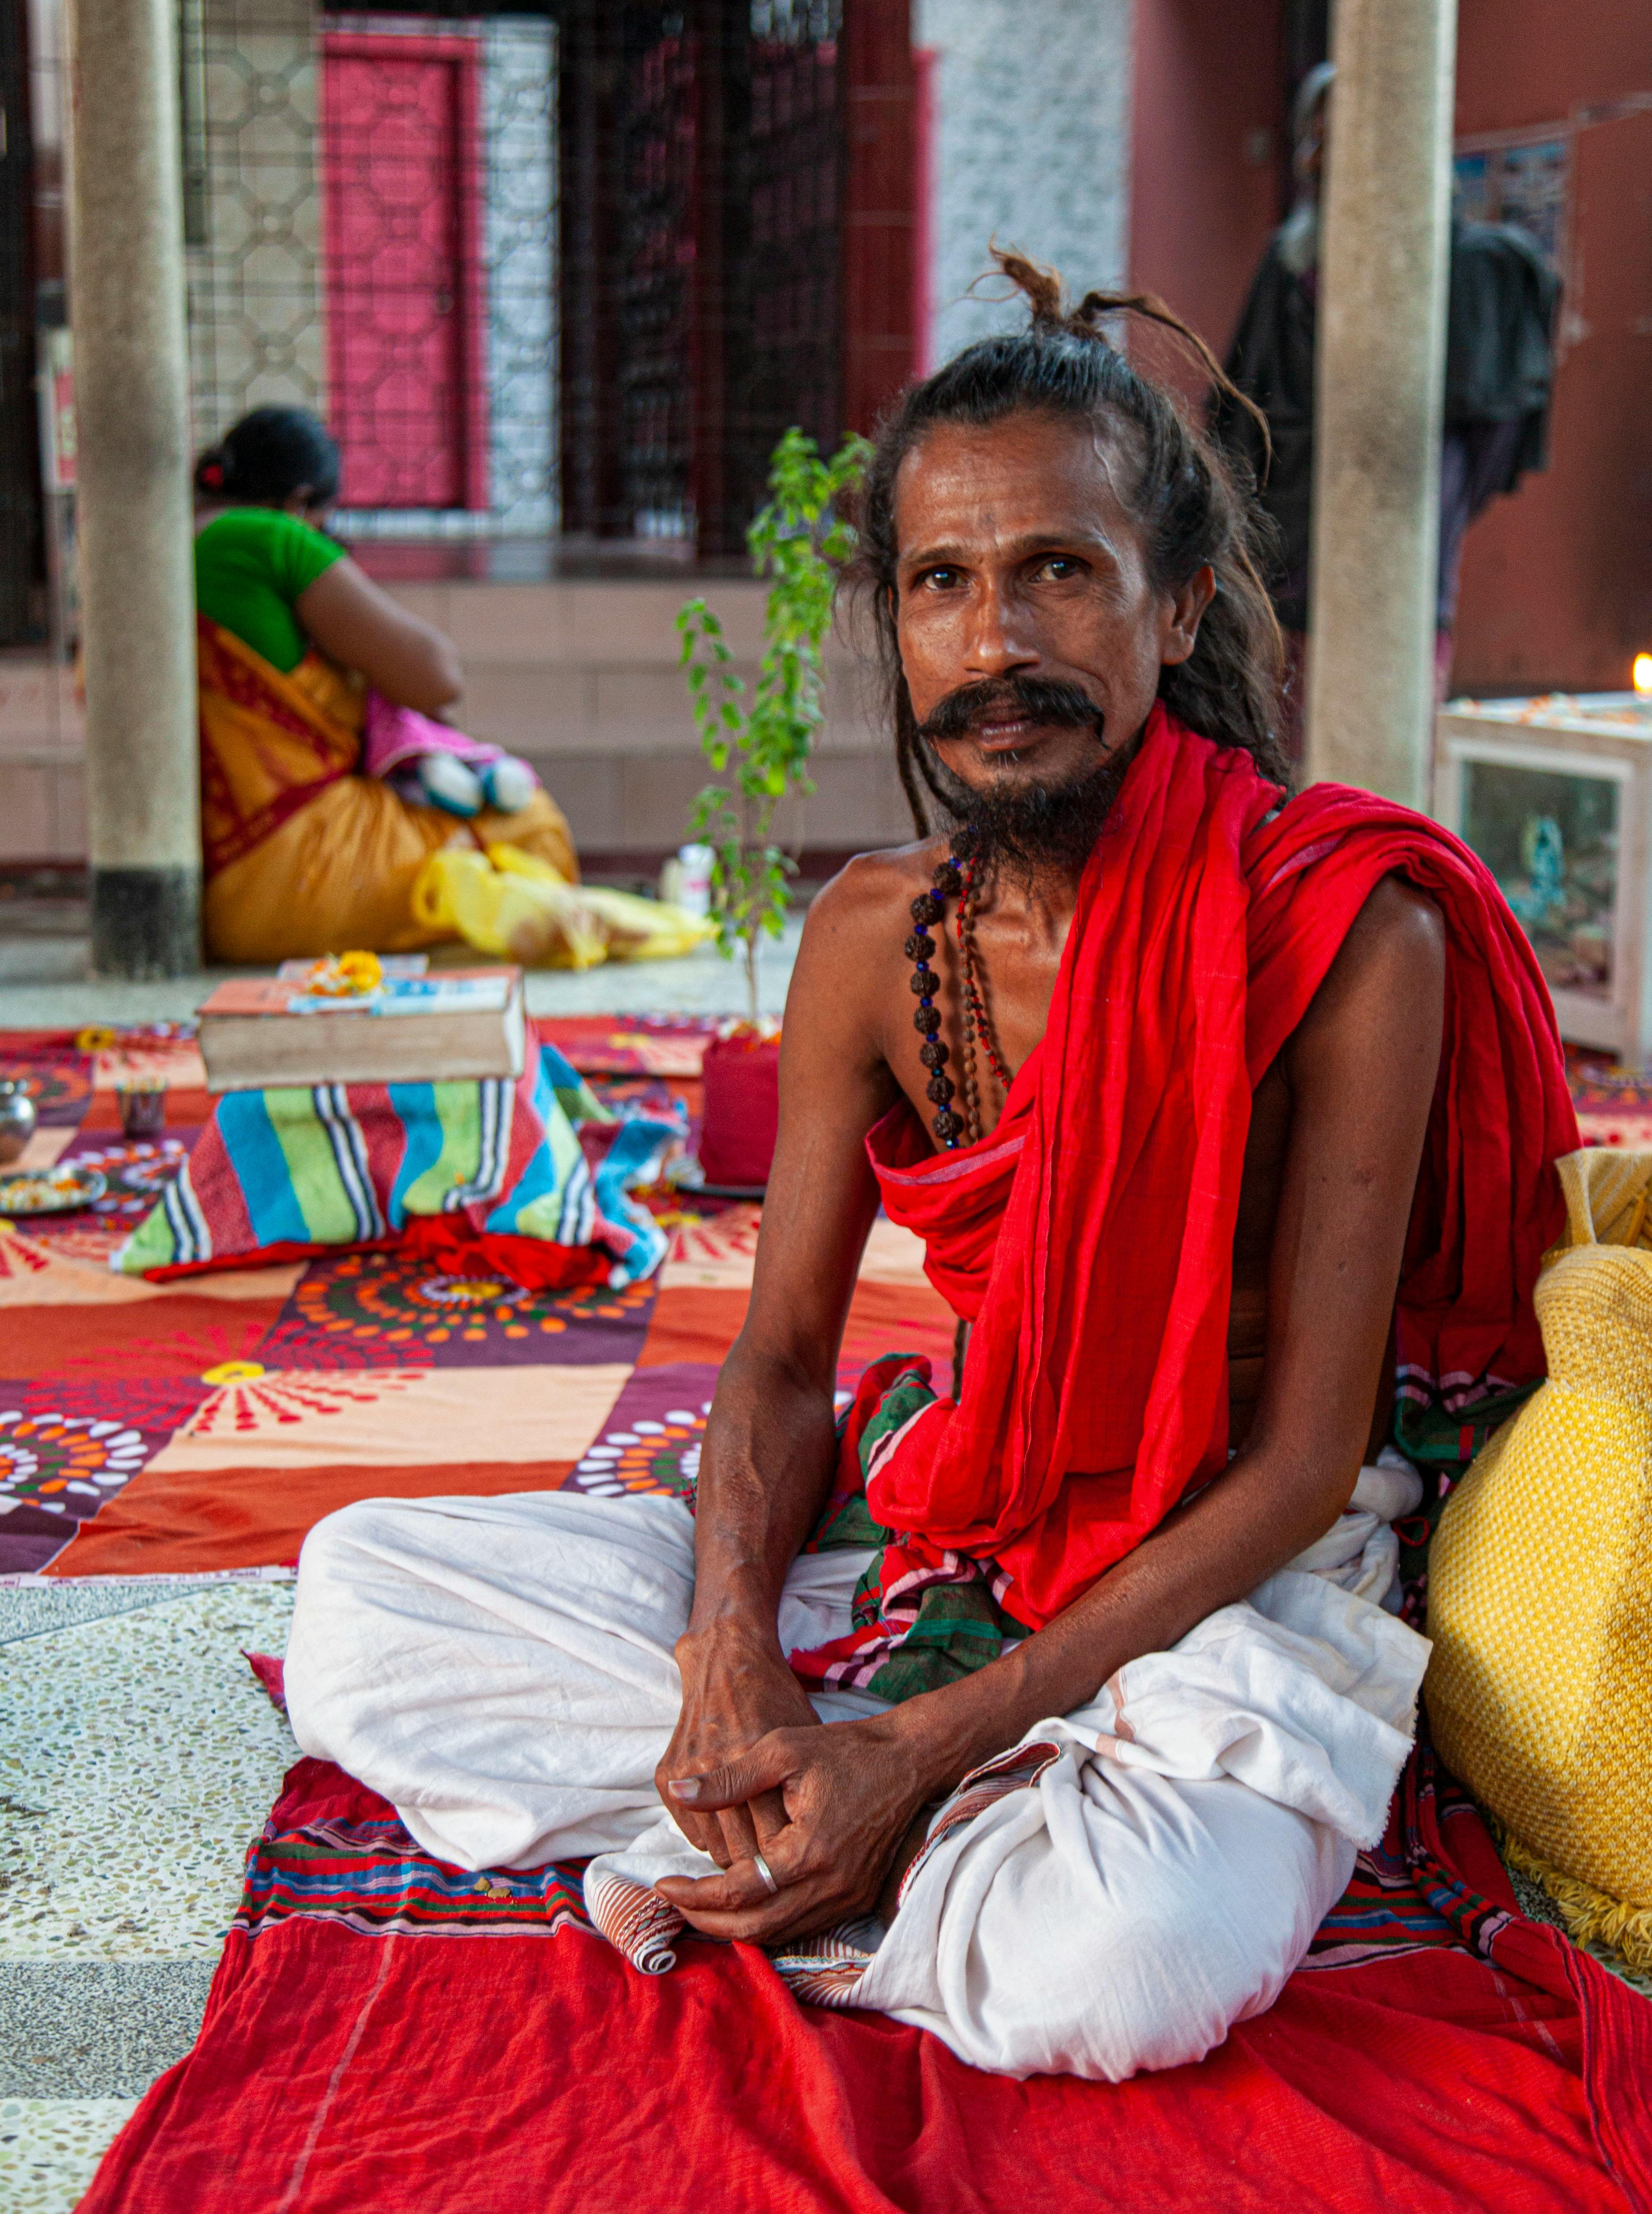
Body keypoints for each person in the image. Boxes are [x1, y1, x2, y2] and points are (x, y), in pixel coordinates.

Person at [282, 259, 1576, 2082]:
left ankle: (797, 1841)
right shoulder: (875, 939)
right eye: (942, 584)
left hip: (1234, 1563)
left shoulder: (1346, 932)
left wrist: (925, 1738)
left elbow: (1300, 1464)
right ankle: (840, 1823)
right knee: (358, 1598)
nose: (997, 643)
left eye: (1060, 569)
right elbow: (786, 1365)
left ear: (1177, 597)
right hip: (970, 1517)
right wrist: (731, 1651)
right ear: (893, 619)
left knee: (1125, 1972)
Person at [1213, 63, 1562, 722]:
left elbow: (1481, 445)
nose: (1318, 159)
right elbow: (1237, 416)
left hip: (1400, 574)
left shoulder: (1477, 277)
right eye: (1311, 140)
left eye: (1339, 138)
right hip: (1284, 576)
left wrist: (1409, 503)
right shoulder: (1288, 270)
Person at [192, 408, 576, 961]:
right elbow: (436, 678)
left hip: (200, 890)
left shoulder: (160, 554)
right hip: (305, 872)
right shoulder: (265, 537)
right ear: (301, 504)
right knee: (531, 825)